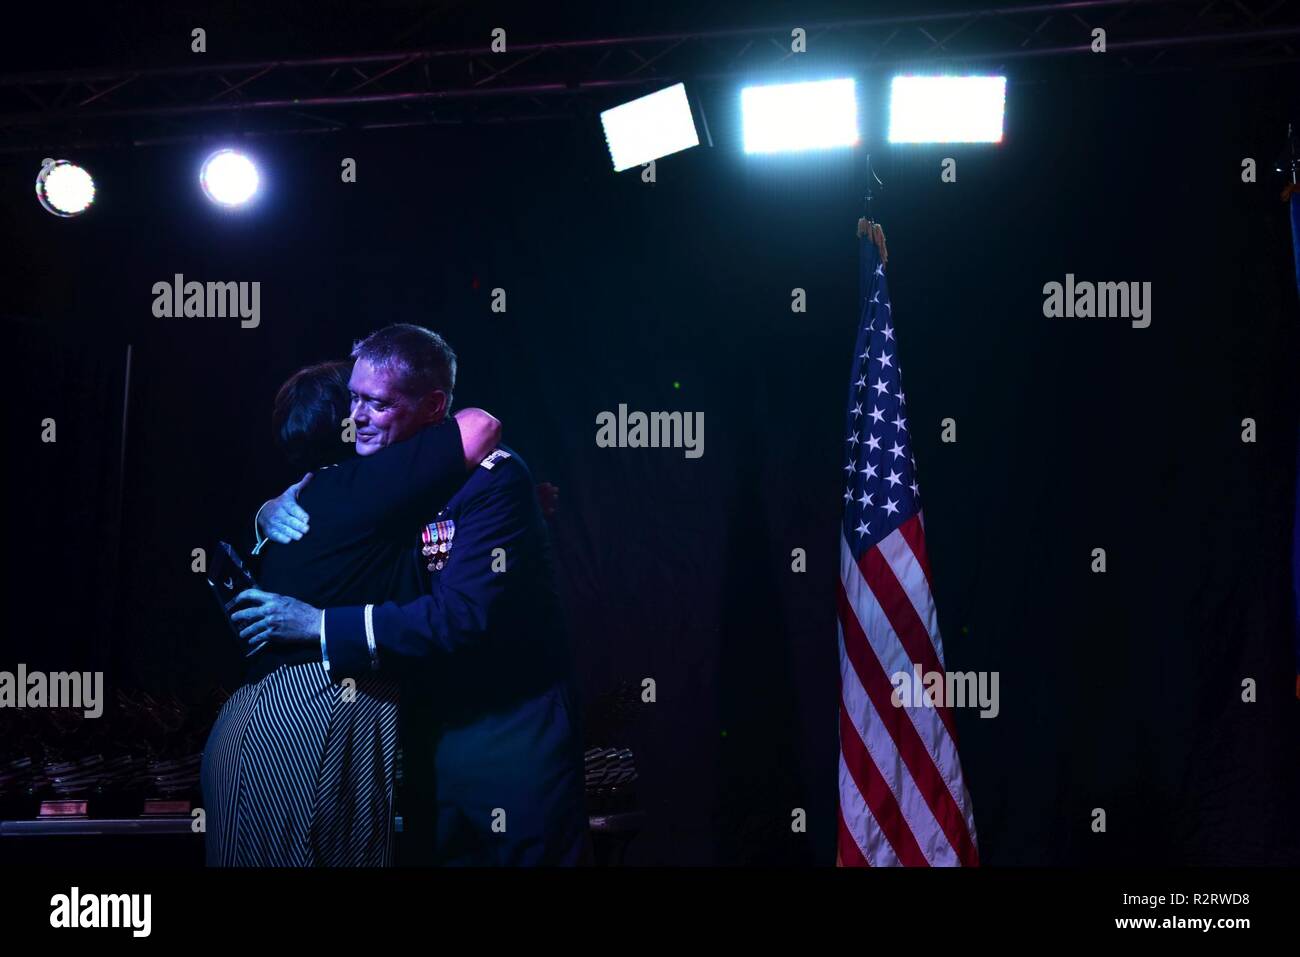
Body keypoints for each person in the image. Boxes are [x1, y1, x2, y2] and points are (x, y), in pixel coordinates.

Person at [237, 324, 589, 865]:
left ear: (432, 406)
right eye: (352, 397)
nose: (354, 417)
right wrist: (268, 511)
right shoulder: (377, 472)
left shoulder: (493, 478)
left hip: (506, 729)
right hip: (423, 730)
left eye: (375, 405)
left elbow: (463, 615)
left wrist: (319, 625)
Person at [201, 358, 500, 866]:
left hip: (258, 722)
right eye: (361, 400)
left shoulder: (308, 498)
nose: (368, 410)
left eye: (376, 401)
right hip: (310, 717)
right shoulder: (370, 484)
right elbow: (480, 426)